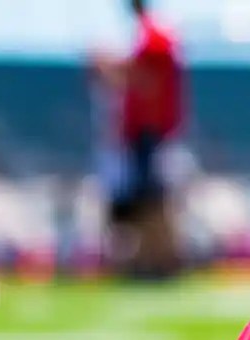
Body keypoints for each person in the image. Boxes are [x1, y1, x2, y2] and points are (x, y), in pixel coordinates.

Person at [109, 0, 185, 279]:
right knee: (149, 197)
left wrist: (119, 70)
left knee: (153, 198)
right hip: (146, 130)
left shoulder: (154, 34)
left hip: (151, 129)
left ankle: (161, 259)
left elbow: (149, 79)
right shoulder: (151, 32)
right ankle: (152, 257)